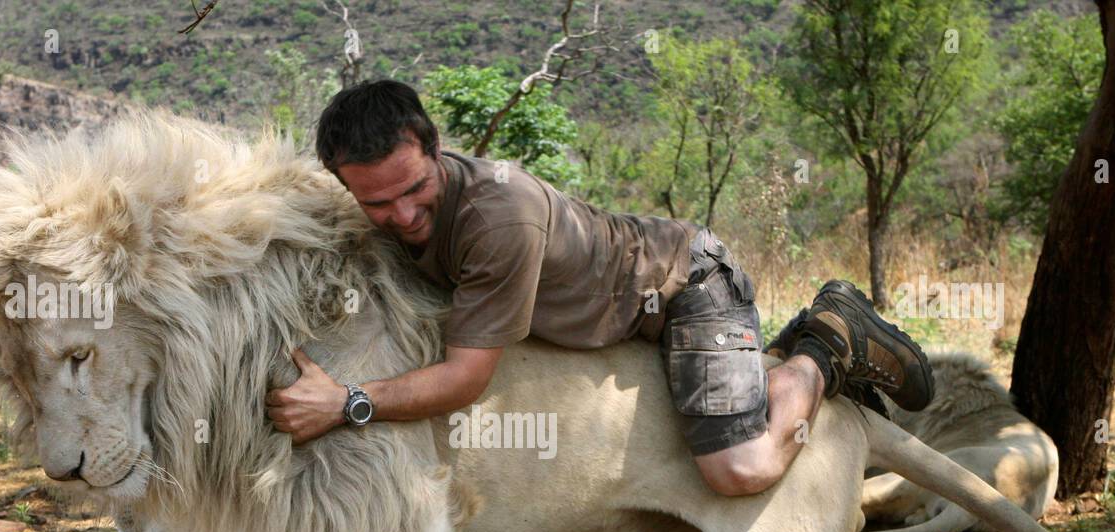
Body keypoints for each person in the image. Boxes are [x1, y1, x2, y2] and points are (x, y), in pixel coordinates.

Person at [266, 80, 934, 497]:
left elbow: (466, 378)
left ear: (437, 148)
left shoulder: (498, 217)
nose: (404, 215)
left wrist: (347, 402)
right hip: (619, 292)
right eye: (379, 203)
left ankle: (825, 340)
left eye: (415, 188)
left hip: (683, 284)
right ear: (345, 184)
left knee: (741, 469)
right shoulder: (371, 206)